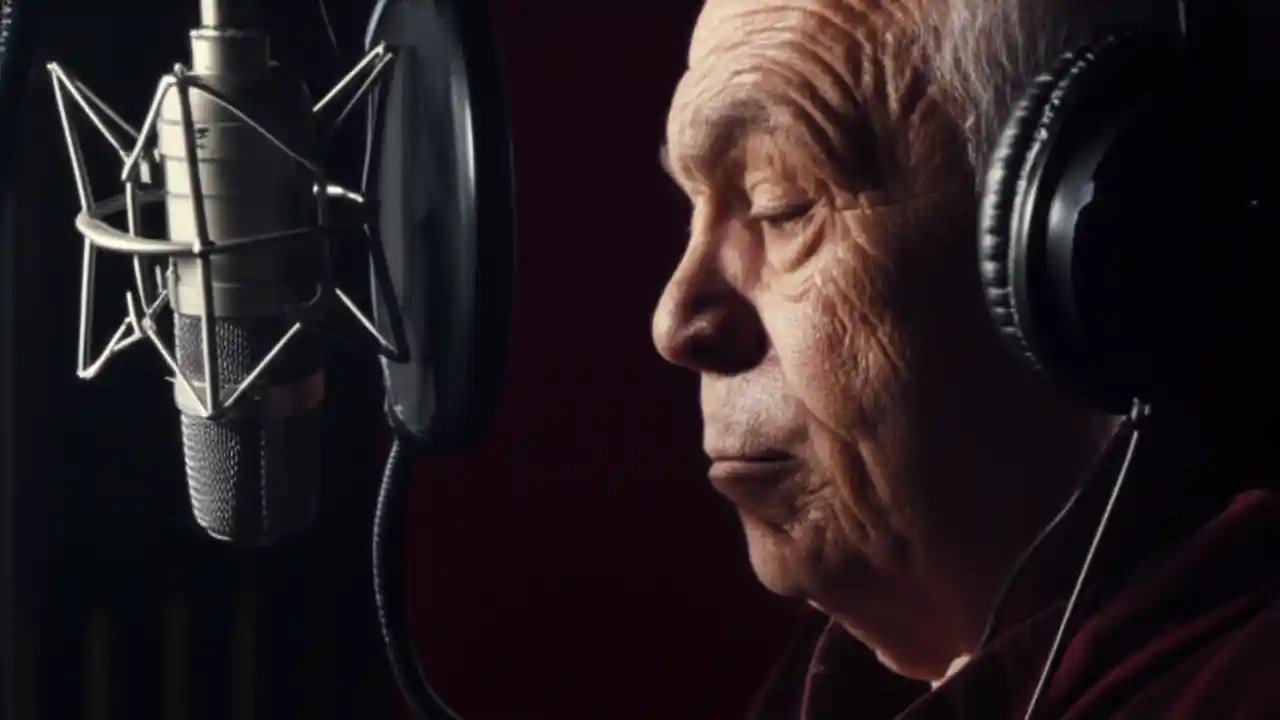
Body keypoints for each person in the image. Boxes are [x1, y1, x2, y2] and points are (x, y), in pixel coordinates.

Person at [650, 0, 1280, 717]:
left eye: (781, 206)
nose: (675, 323)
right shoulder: (832, 685)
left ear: (1090, 241)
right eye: (693, 203)